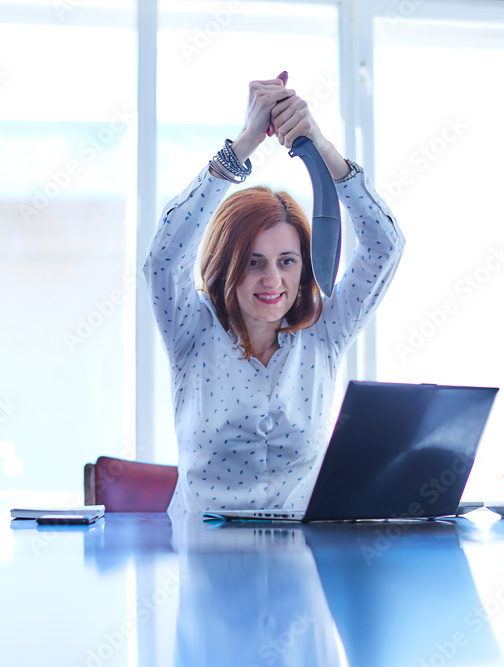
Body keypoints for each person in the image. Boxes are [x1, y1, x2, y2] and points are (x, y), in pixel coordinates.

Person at [143, 72, 405, 519]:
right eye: (253, 261)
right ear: (226, 264)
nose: (272, 280)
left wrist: (321, 147)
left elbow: (385, 246)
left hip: (301, 563)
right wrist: (244, 144)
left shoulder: (325, 331)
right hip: (205, 565)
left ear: (304, 268)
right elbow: (164, 259)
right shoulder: (191, 330)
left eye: (287, 261)